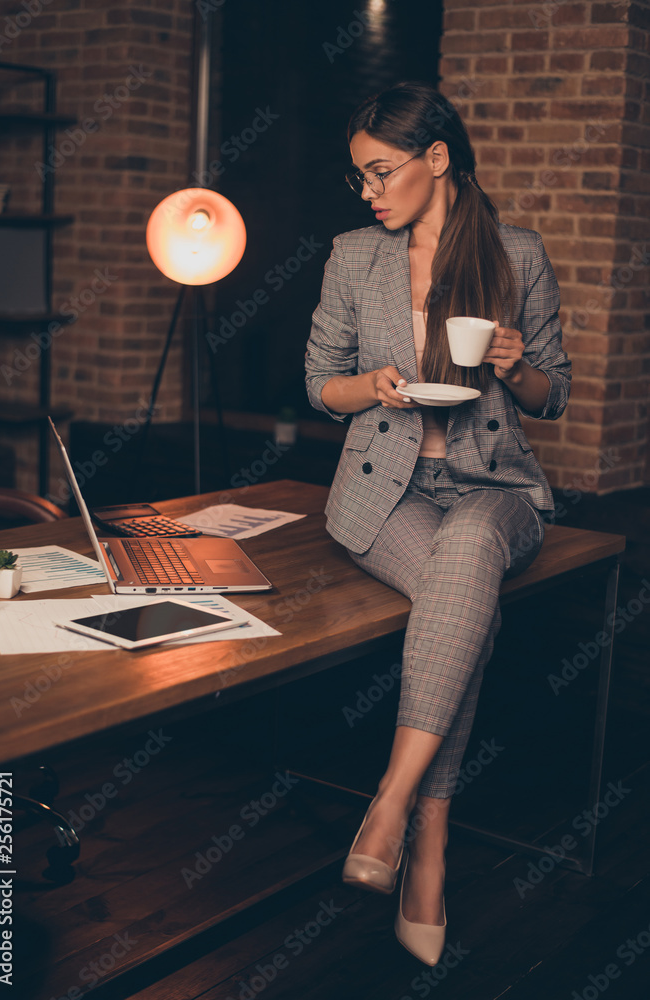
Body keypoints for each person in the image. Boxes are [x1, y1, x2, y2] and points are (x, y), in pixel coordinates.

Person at [304, 81, 571, 966]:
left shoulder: (517, 254)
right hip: (385, 489)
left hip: (493, 486)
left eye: (381, 172)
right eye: (361, 178)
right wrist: (369, 386)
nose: (371, 192)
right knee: (465, 601)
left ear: (436, 159)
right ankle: (429, 846)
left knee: (465, 556)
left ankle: (389, 802)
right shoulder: (352, 256)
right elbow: (320, 382)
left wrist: (515, 361)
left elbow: (552, 397)